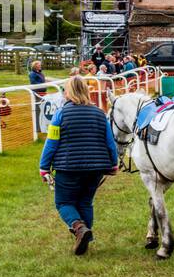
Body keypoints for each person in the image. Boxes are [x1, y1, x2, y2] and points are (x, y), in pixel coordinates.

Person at [39, 74, 119, 254]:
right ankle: (84, 238)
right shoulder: (100, 113)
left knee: (64, 202)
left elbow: (51, 143)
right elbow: (110, 142)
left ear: (68, 93)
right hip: (96, 168)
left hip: (68, 167)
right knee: (85, 202)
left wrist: (44, 167)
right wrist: (113, 164)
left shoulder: (60, 114)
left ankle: (79, 228)